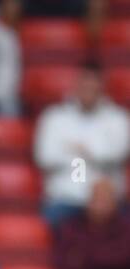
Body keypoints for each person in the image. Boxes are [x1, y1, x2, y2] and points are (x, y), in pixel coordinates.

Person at [34, 64, 130, 226]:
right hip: (65, 198)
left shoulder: (118, 118)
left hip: (107, 202)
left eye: (93, 87)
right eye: (84, 86)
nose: (88, 91)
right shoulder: (54, 117)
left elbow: (118, 152)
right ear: (76, 86)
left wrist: (80, 150)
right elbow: (45, 157)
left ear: (102, 88)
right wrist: (92, 154)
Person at [54, 178, 130, 269]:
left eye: (106, 200)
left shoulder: (126, 228)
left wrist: (85, 258)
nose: (101, 205)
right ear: (88, 201)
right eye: (97, 199)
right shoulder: (71, 228)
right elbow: (65, 265)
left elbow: (124, 260)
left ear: (115, 203)